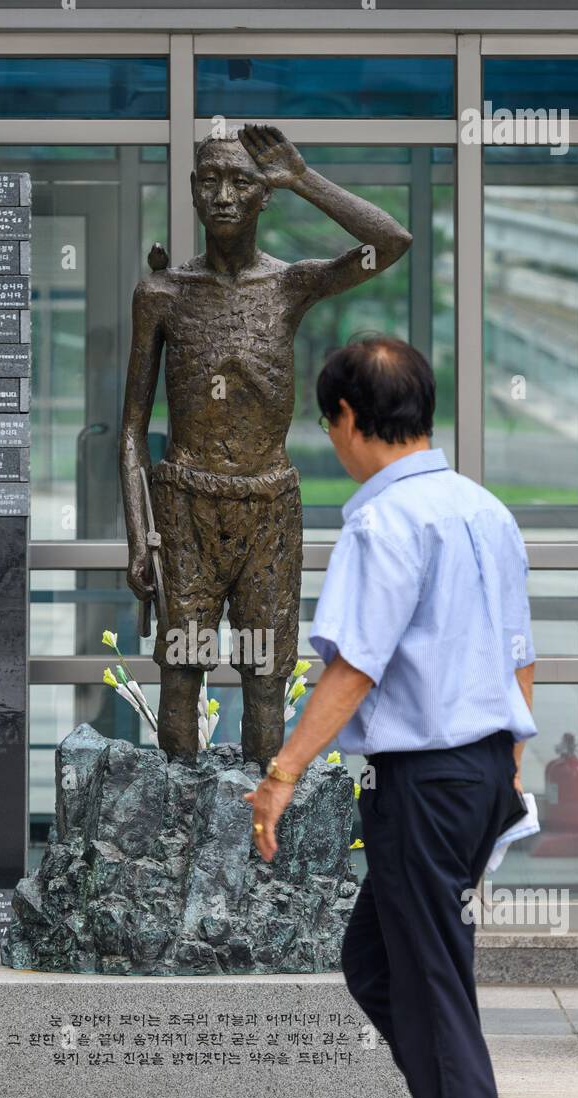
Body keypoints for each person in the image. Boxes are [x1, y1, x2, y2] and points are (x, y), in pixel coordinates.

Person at [245, 336, 537, 1098]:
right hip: (479, 768)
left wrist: (281, 774)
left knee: (429, 982)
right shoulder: (484, 509)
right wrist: (507, 767)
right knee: (377, 965)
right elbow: (520, 653)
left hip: (425, 780)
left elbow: (354, 666)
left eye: (325, 422)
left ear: (343, 418)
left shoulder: (383, 524)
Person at [119, 123, 412, 765]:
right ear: (194, 192)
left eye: (241, 181)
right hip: (185, 504)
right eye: (210, 181)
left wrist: (303, 178)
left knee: (266, 676)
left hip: (268, 508)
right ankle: (179, 836)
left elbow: (390, 241)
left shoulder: (291, 285)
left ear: (263, 195)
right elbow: (133, 430)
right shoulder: (162, 294)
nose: (223, 195)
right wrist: (141, 535)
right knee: (180, 673)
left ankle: (263, 836)